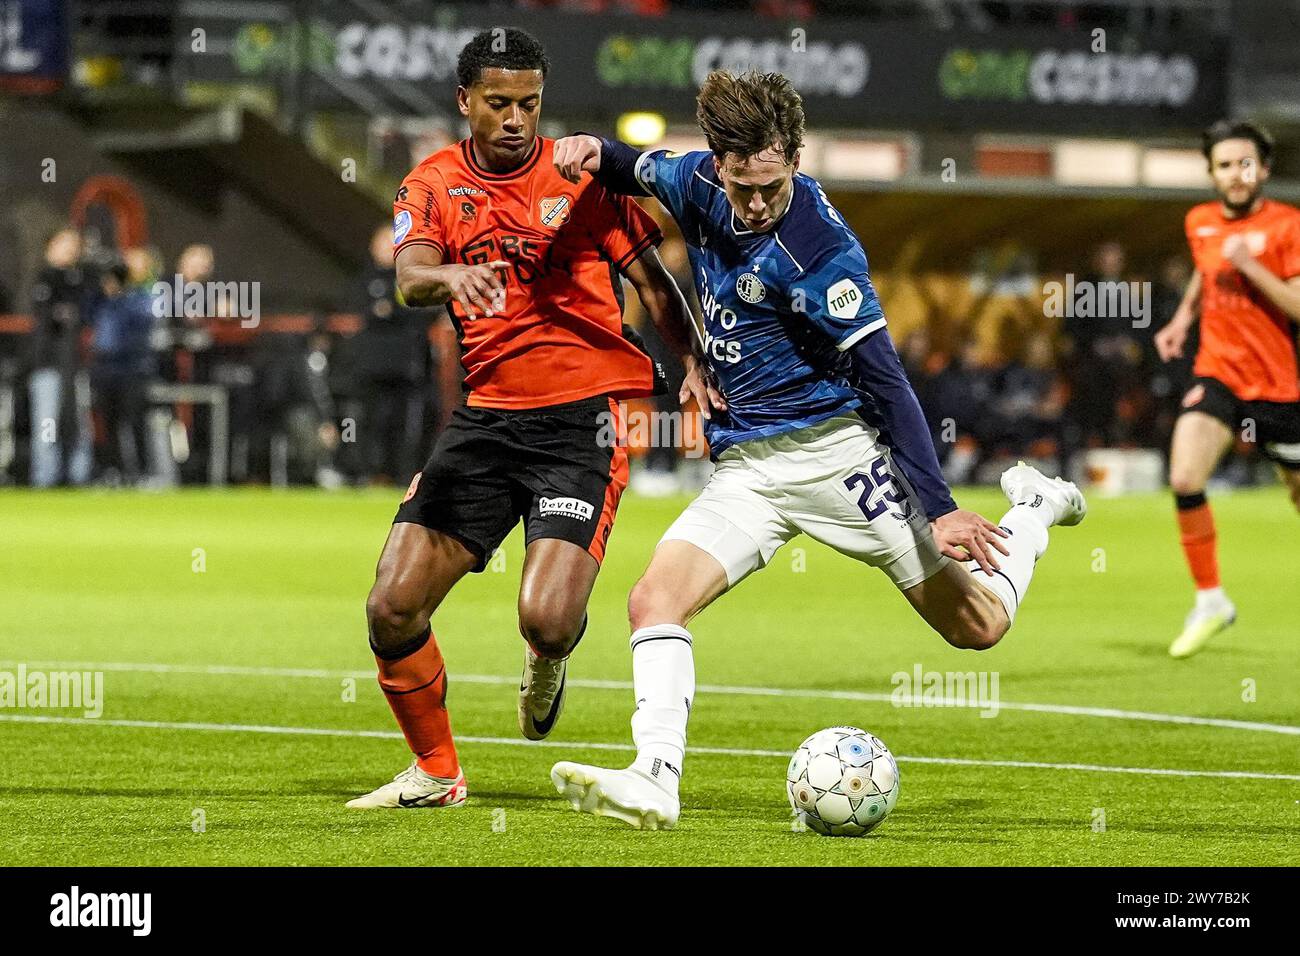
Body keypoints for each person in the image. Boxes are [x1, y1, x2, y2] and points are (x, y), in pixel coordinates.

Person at [547, 69, 1086, 830]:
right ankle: (655, 777)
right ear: (719, 162)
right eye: (742, 187)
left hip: (840, 457)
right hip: (748, 471)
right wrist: (582, 147)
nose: (757, 203)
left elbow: (889, 383)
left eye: (771, 185)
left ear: (795, 158)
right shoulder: (696, 179)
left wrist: (939, 509)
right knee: (652, 600)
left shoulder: (822, 255)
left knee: (978, 629)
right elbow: (628, 163)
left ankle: (1033, 507)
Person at [346, 27, 706, 810]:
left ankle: (549, 656)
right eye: (500, 104)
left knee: (545, 619)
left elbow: (652, 280)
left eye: (530, 104)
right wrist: (449, 273)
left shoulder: (580, 178)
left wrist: (696, 365)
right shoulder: (432, 183)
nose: (516, 119)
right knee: (391, 604)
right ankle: (438, 773)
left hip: (584, 420)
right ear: (465, 101)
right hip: (485, 421)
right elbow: (410, 279)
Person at [1153, 120, 1300, 658]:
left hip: (1281, 388)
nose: (1235, 174)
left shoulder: (1289, 226)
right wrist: (1181, 320)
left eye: (1245, 164)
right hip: (1220, 374)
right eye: (1223, 165)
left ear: (1262, 169)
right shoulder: (1201, 221)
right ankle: (1210, 598)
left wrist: (1251, 266)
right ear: (1211, 173)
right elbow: (1205, 268)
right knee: (1184, 475)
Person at [27, 228, 94, 488]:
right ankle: (45, 478)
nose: (69, 249)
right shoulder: (43, 278)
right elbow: (46, 315)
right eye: (63, 243)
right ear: (50, 247)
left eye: (73, 244)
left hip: (77, 364)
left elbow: (90, 311)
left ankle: (80, 476)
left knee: (80, 422)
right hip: (48, 364)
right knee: (47, 423)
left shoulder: (82, 281)